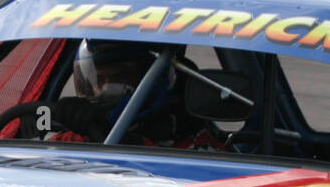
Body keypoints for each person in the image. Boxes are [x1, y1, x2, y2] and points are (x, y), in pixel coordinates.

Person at [47, 40, 224, 149]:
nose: (101, 92)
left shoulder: (197, 148)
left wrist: (124, 141)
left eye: (117, 81)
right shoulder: (75, 138)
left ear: (155, 81)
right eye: (97, 81)